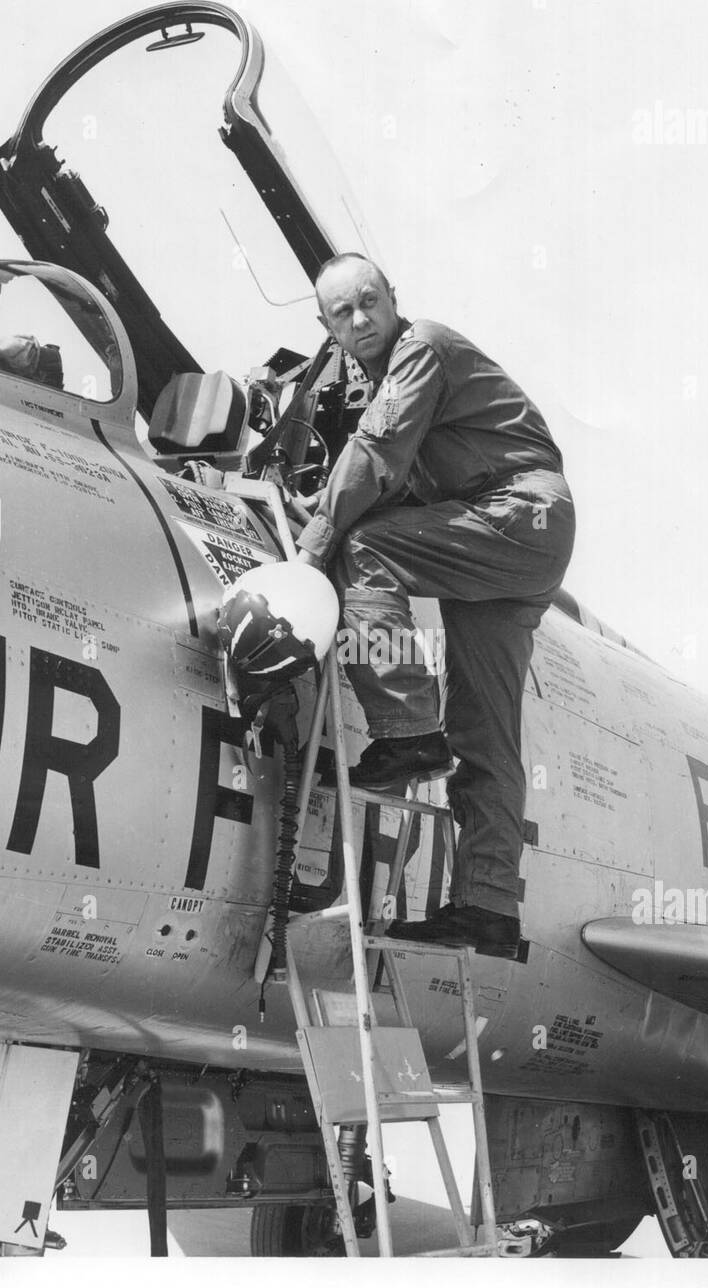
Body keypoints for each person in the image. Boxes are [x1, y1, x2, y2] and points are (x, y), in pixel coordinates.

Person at [295, 254, 574, 960]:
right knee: (485, 731)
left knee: (364, 548)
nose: (361, 319)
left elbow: (376, 451)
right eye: (342, 312)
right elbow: (386, 471)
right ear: (326, 327)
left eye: (369, 301)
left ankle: (408, 729)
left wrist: (311, 548)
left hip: (514, 513)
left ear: (393, 298)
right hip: (518, 540)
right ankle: (487, 907)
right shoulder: (387, 379)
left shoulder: (420, 349)